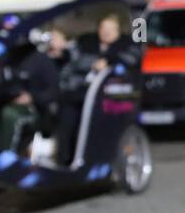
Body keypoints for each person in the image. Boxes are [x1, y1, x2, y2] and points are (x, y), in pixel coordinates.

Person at [56, 13, 139, 165]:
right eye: (103, 28)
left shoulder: (127, 46)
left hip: (112, 96)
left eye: (110, 29)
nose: (106, 32)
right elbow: (73, 63)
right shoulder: (86, 43)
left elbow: (131, 62)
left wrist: (108, 61)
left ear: (118, 31)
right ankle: (66, 160)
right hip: (82, 93)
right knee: (68, 116)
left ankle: (100, 158)